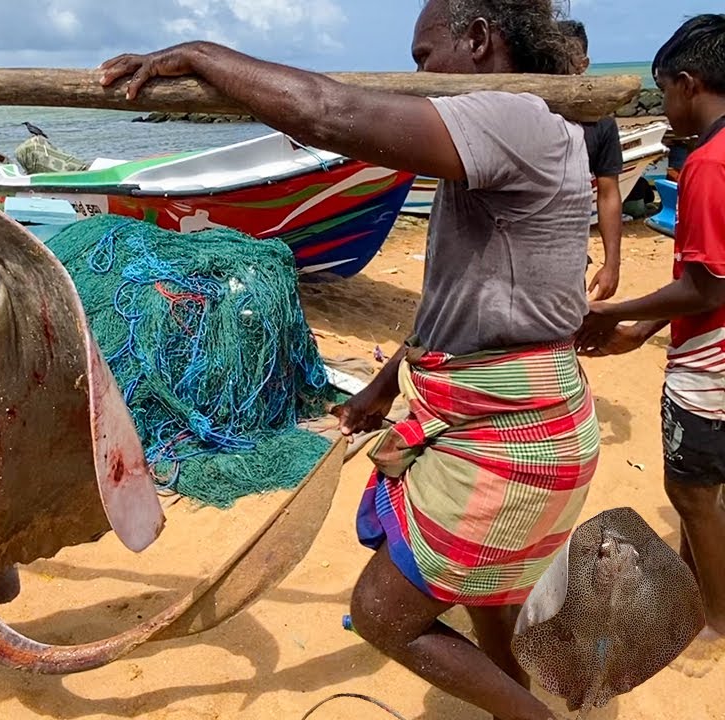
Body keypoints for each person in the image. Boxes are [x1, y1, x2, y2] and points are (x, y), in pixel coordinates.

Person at [101, 2, 597, 718]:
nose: (413, 77)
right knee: (489, 603)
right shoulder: (523, 130)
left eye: (424, 59)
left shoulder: (516, 119)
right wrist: (383, 385)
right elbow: (460, 302)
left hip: (512, 436)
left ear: (480, 40)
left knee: (381, 613)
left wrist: (205, 55)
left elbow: (330, 114)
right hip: (503, 416)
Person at [577, 13, 725, 678]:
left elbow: (706, 286)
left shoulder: (708, 167)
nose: (663, 105)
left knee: (689, 488)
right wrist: (645, 328)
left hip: (711, 362)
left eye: (665, 91)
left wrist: (619, 314)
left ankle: (716, 618)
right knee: (709, 485)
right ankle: (702, 587)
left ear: (689, 85)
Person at [560, 19, 625, 301]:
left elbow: (608, 193)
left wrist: (612, 263)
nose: (558, 66)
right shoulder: (525, 112)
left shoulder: (601, 123)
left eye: (566, 58)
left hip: (570, 253)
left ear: (583, 63)